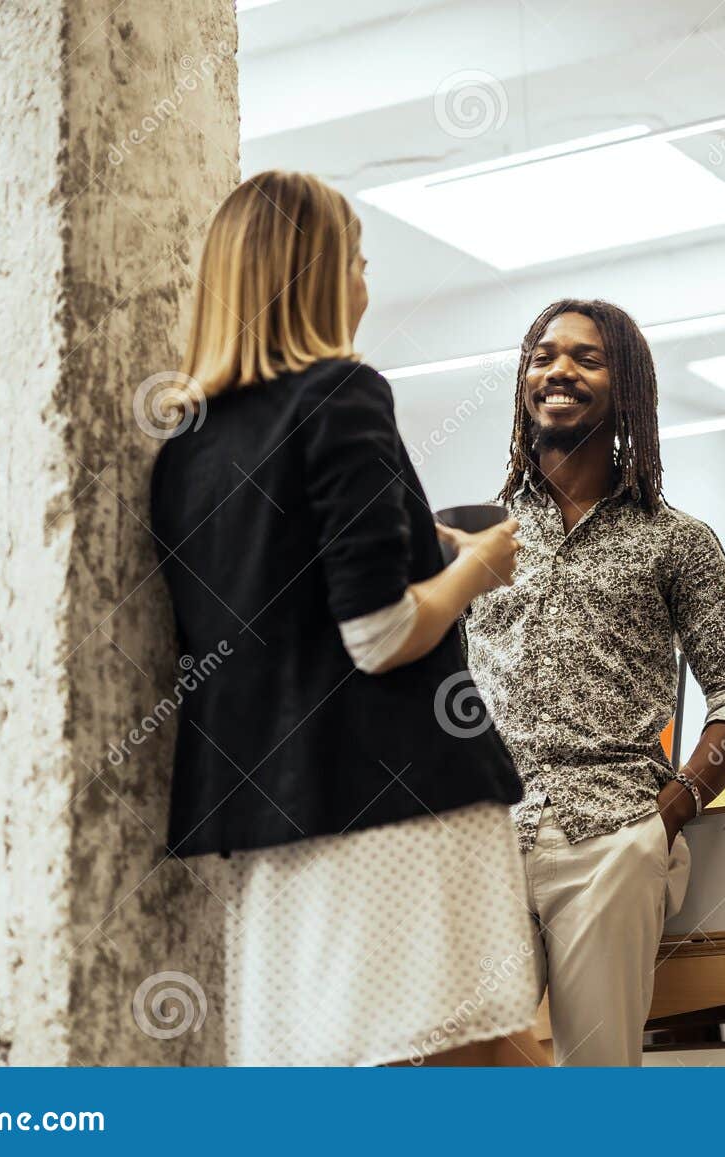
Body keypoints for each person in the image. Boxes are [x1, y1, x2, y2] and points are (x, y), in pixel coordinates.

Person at [149, 171, 541, 1066]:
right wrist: (477, 566)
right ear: (318, 275)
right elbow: (379, 634)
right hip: (397, 798)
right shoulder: (341, 392)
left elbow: (278, 594)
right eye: (357, 259)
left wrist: (420, 538)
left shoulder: (188, 444)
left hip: (273, 820)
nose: (366, 281)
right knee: (470, 1057)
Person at [463, 298, 725, 1066]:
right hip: (486, 835)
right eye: (542, 355)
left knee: (597, 1075)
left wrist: (667, 815)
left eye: (585, 358)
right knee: (449, 1060)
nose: (558, 369)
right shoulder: (478, 534)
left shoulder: (678, 541)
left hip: (612, 840)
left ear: (626, 387)